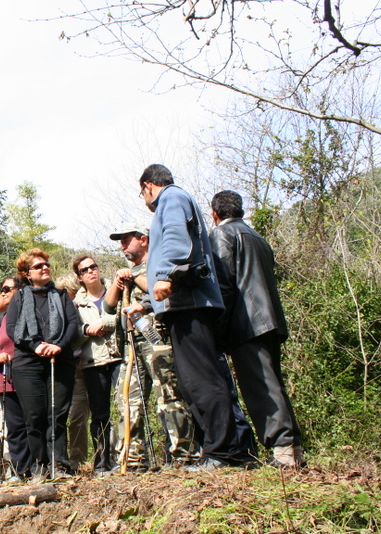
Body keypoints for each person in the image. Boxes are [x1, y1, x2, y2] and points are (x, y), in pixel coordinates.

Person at [131, 164, 244, 470]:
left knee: (203, 380)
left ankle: (224, 452)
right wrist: (148, 302)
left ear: (147, 185)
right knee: (194, 382)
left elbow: (176, 237)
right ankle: (217, 450)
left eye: (141, 192)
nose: (144, 197)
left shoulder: (171, 197)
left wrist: (166, 274)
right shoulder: (173, 199)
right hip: (182, 306)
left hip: (191, 304)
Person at [209, 190, 303, 468]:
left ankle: (284, 453)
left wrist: (218, 332)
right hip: (271, 320)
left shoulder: (221, 235)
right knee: (274, 384)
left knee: (260, 387)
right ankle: (292, 450)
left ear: (215, 213)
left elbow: (224, 285)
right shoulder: (257, 237)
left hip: (247, 323)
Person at [104, 226, 199, 470]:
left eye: (127, 240)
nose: (123, 246)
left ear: (143, 240)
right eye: (121, 242)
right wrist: (118, 281)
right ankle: (132, 459)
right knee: (128, 400)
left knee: (168, 397)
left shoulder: (159, 264)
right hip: (131, 345)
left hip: (157, 341)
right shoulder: (125, 273)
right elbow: (108, 306)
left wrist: (134, 276)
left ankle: (184, 455)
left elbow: (157, 291)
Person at [6, 249, 79, 479]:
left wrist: (59, 345)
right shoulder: (18, 297)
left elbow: (73, 324)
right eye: (38, 266)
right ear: (27, 273)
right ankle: (39, 465)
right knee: (34, 416)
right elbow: (13, 329)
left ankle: (59, 465)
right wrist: (35, 345)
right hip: (28, 363)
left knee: (57, 414)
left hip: (60, 360)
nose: (45, 268)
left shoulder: (61, 295)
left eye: (46, 264)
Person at [72, 255, 122, 475]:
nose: (91, 271)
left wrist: (105, 322)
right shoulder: (76, 304)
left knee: (127, 408)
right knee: (100, 414)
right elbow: (72, 335)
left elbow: (126, 314)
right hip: (93, 361)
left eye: (94, 266)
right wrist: (87, 329)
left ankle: (131, 457)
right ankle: (102, 462)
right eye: (85, 270)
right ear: (79, 277)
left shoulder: (118, 289)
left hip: (121, 357)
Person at [0, 277, 31, 484]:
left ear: (19, 291)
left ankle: (39, 468)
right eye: (1, 290)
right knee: (14, 426)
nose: (2, 293)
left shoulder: (30, 312)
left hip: (31, 377)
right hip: (7, 379)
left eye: (6, 289)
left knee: (35, 423)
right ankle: (20, 471)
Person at [54, 273, 90, 472]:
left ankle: (79, 462)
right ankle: (67, 462)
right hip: (67, 366)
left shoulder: (81, 306)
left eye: (66, 293)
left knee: (80, 416)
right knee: (67, 415)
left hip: (85, 364)